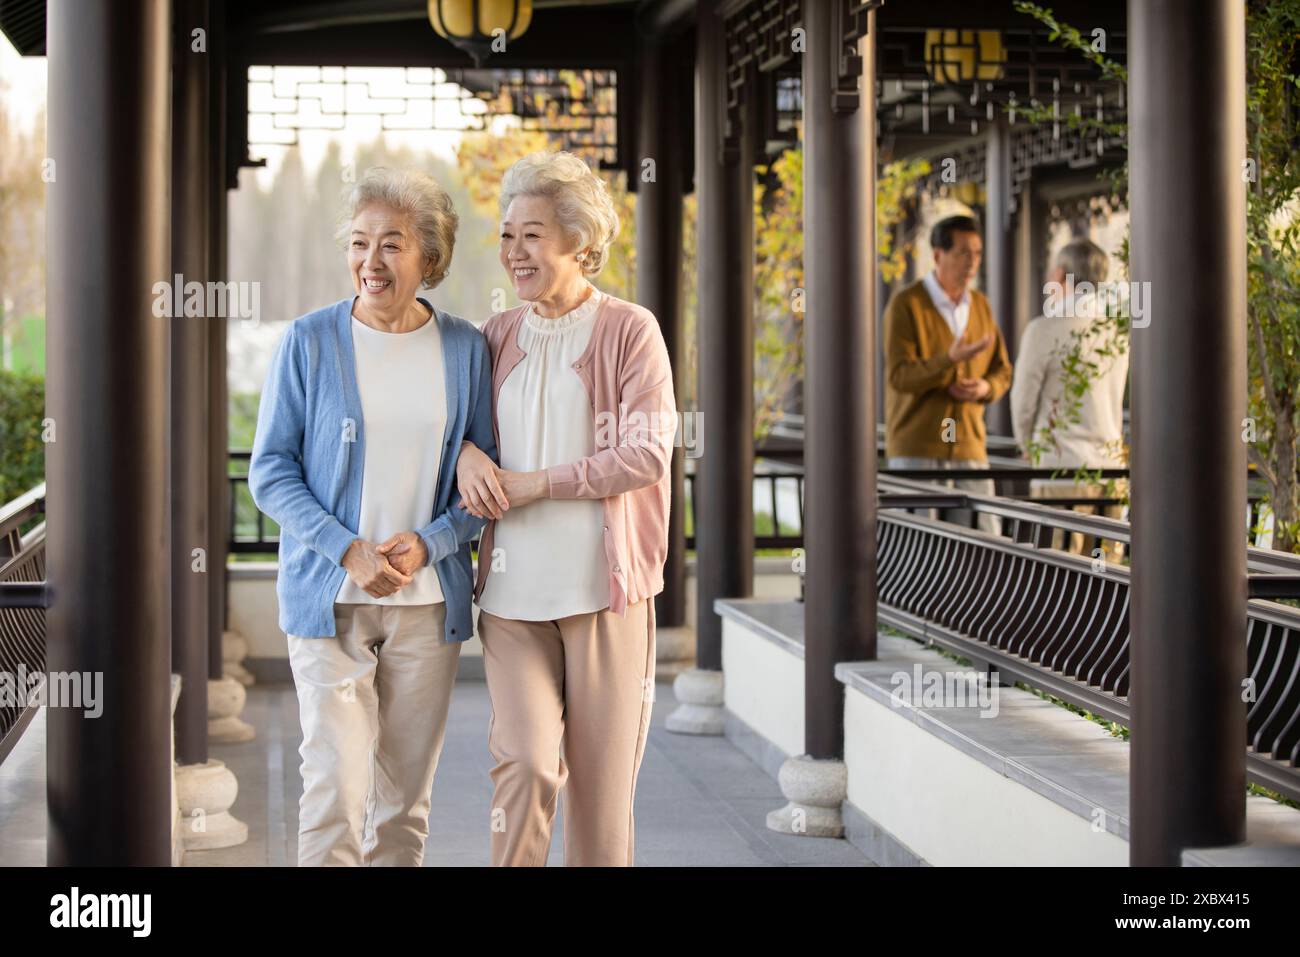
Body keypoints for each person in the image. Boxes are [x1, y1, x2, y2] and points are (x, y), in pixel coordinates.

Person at [248, 167, 496, 866]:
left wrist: (432, 541)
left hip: (426, 605)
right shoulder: (309, 341)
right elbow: (270, 470)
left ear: (429, 256)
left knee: (404, 804)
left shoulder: (464, 348)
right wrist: (346, 548)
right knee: (334, 782)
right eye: (359, 243)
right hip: (331, 600)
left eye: (391, 244)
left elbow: (482, 482)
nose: (371, 261)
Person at [454, 151, 676, 866]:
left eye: (533, 235)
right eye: (508, 235)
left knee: (601, 803)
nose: (514, 252)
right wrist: (464, 454)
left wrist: (536, 483)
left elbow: (646, 453)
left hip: (604, 599)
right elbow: (453, 430)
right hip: (514, 599)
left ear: (578, 241)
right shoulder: (495, 337)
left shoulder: (630, 330)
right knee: (524, 766)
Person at [884, 214, 1012, 533]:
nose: (972, 262)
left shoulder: (980, 305)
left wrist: (985, 388)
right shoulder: (906, 305)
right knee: (917, 547)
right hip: (918, 445)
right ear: (938, 255)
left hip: (968, 441)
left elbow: (1002, 370)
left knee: (984, 540)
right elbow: (900, 375)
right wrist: (948, 361)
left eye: (978, 253)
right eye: (963, 253)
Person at [1011, 237, 1128, 559]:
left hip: (1059, 467)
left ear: (1061, 275)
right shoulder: (1116, 333)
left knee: (1057, 571)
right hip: (1110, 469)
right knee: (1108, 573)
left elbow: (1023, 401)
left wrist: (1026, 445)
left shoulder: (1044, 329)